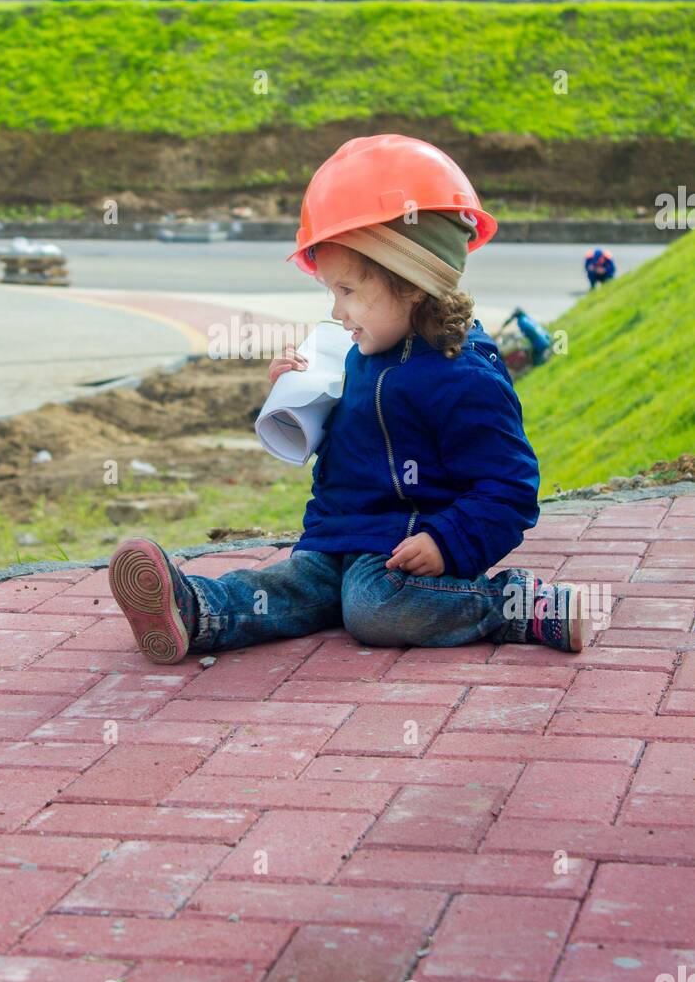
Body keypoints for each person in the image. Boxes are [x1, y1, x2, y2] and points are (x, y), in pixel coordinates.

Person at [108, 134, 590, 664]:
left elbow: (510, 486)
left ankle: (513, 604)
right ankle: (194, 608)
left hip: (405, 550)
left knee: (372, 610)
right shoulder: (360, 349)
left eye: (348, 292)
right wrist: (297, 403)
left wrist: (447, 543)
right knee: (287, 586)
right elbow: (358, 445)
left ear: (411, 282)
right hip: (340, 534)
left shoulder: (464, 377)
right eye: (331, 293)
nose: (337, 311)